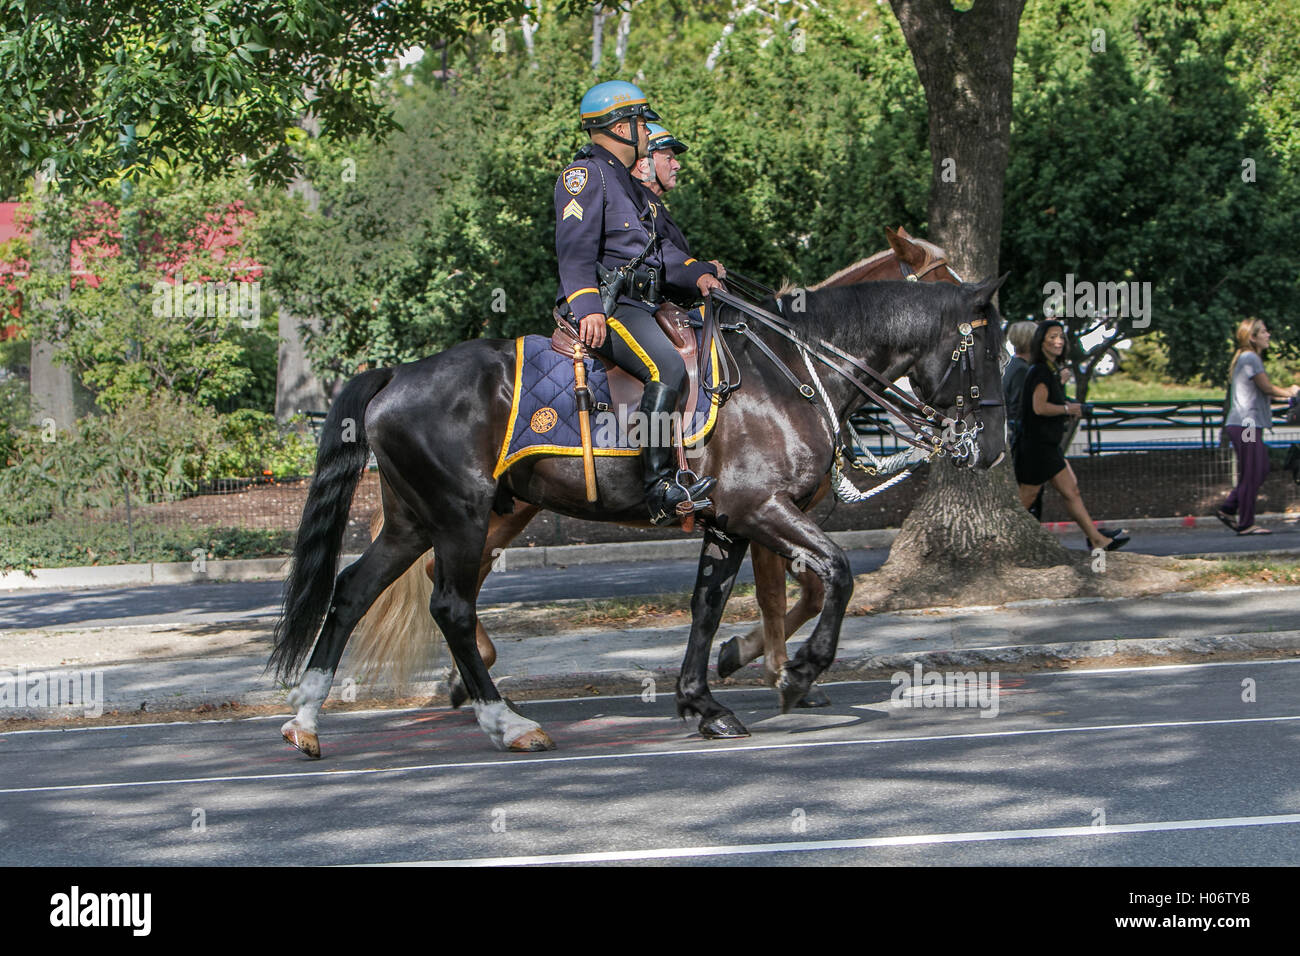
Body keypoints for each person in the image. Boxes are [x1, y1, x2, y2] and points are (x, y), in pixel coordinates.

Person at [554, 81, 724, 524]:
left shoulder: (626, 184)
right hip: (609, 307)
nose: (647, 132)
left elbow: (657, 253)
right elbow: (574, 249)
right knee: (666, 367)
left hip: (638, 305)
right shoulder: (586, 176)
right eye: (642, 123)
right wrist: (588, 306)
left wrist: (700, 272)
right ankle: (658, 485)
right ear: (620, 126)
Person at [1014, 320, 1129, 551]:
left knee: (1071, 491)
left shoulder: (1051, 370)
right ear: (1041, 342)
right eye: (1051, 337)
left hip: (1048, 446)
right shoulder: (1040, 371)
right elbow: (1039, 407)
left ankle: (1097, 539)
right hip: (1037, 449)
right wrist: (1068, 409)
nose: (1058, 342)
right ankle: (1000, 540)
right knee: (1024, 501)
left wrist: (1067, 408)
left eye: (1060, 337)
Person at [1218, 318, 1300, 535]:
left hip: (1248, 424)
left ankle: (1228, 508)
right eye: (1263, 332)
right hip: (1246, 425)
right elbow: (1266, 387)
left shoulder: (1249, 358)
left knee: (1259, 469)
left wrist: (1285, 399)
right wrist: (1291, 391)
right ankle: (1246, 524)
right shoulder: (1249, 357)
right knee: (1253, 471)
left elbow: (1259, 395)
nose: (1268, 335)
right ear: (1252, 337)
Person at [1001, 320, 1044, 519]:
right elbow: (1020, 408)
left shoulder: (1015, 365)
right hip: (1024, 440)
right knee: (1031, 491)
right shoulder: (1021, 370)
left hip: (1021, 438)